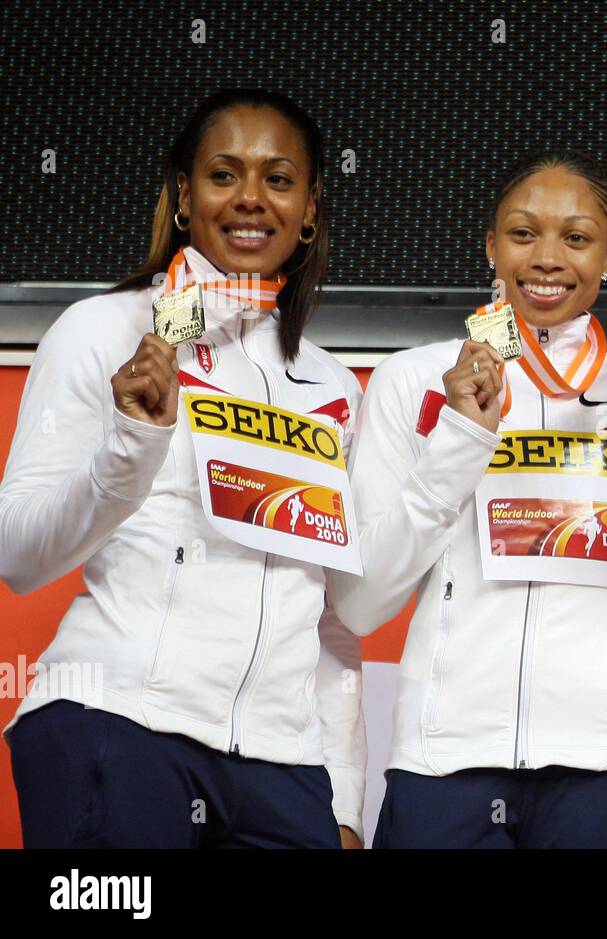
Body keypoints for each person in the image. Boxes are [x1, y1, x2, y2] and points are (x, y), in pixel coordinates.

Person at [0, 89, 366, 848]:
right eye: (223, 174)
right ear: (184, 196)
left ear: (309, 209)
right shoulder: (104, 329)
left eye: (278, 178)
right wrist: (132, 443)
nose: (250, 198)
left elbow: (328, 612)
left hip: (284, 765)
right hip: (120, 721)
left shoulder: (331, 385)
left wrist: (344, 795)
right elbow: (17, 556)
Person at [331, 151, 607, 849]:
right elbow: (360, 603)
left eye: (576, 237)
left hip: (600, 761)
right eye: (522, 233)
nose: (547, 258)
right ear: (490, 245)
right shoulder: (414, 379)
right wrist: (460, 438)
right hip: (443, 759)